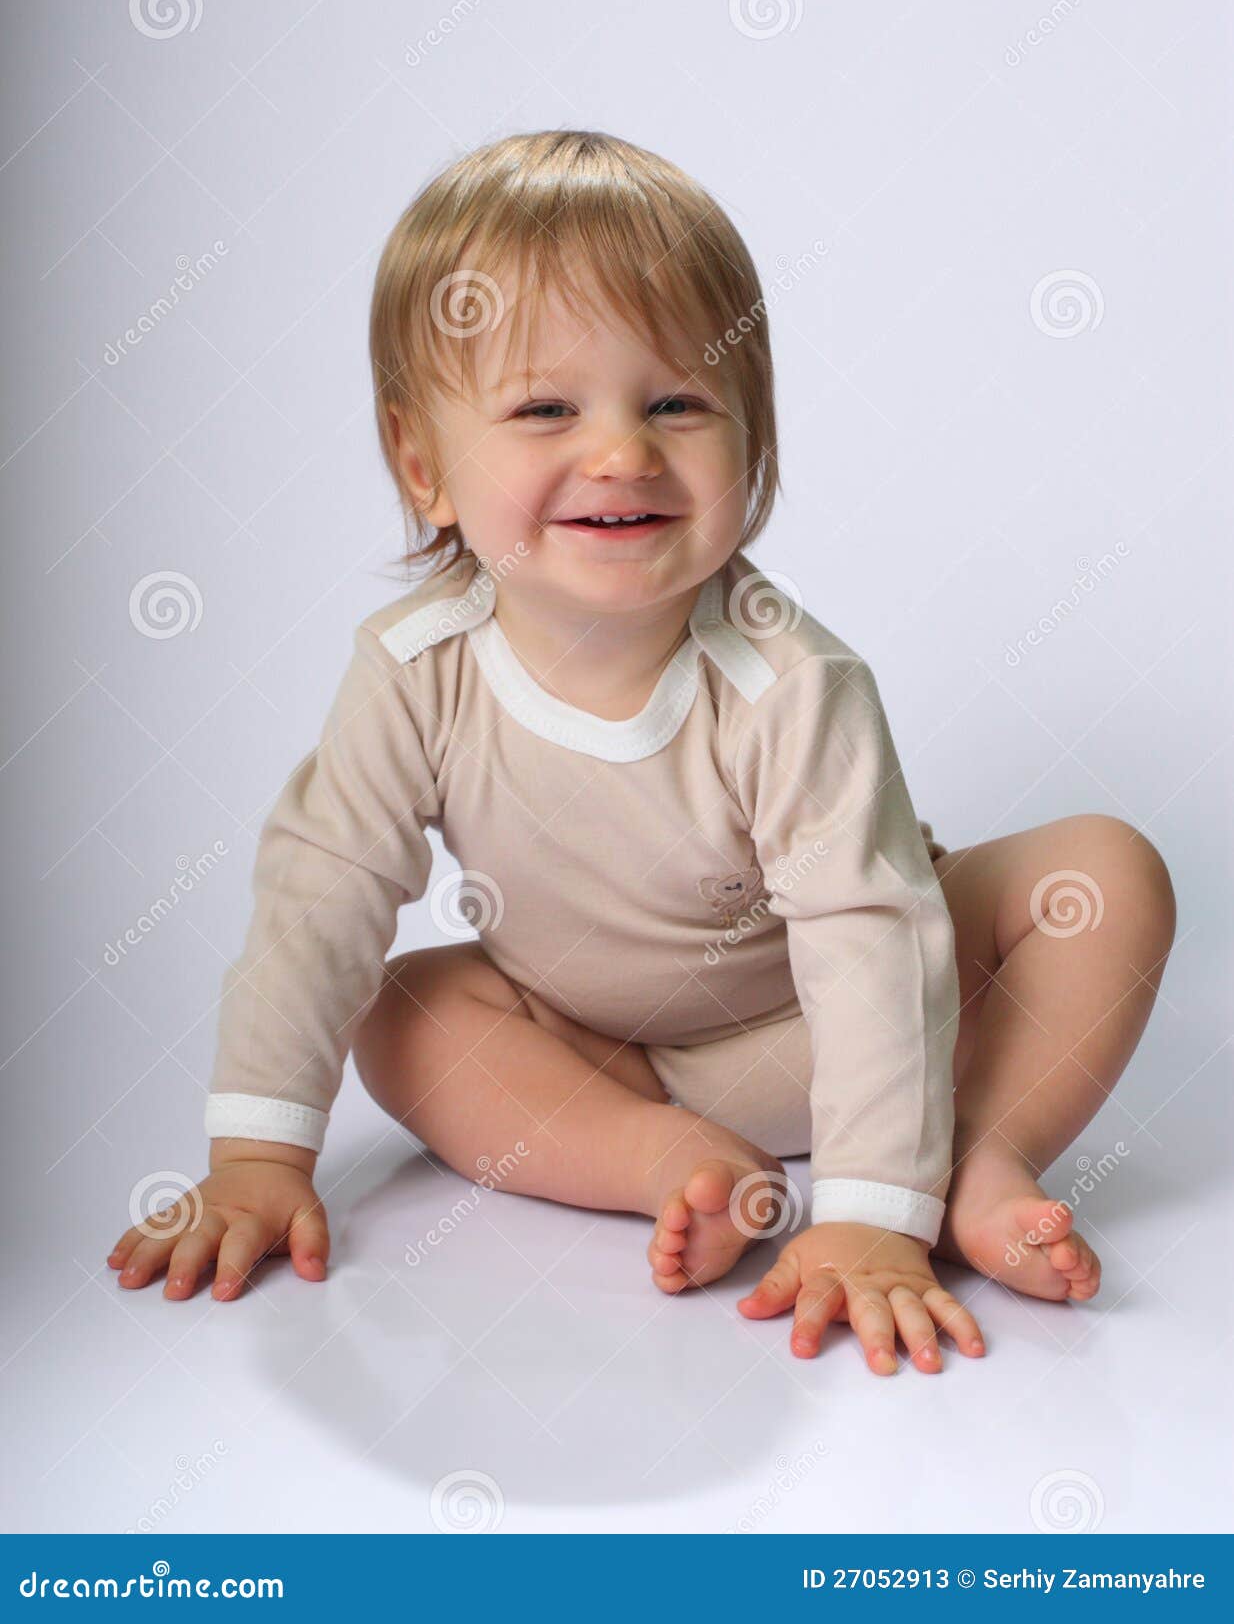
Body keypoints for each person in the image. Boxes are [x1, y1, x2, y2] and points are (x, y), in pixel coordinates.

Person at [108, 130, 1176, 1374]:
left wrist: (868, 1216)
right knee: (404, 1011)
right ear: (422, 465)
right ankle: (658, 1161)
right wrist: (259, 1154)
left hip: (847, 1022)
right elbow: (322, 890)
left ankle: (972, 1156)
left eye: (677, 401)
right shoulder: (415, 668)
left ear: (753, 442)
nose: (621, 452)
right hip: (595, 1046)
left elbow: (869, 934)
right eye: (544, 408)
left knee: (1103, 874)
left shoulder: (788, 683)